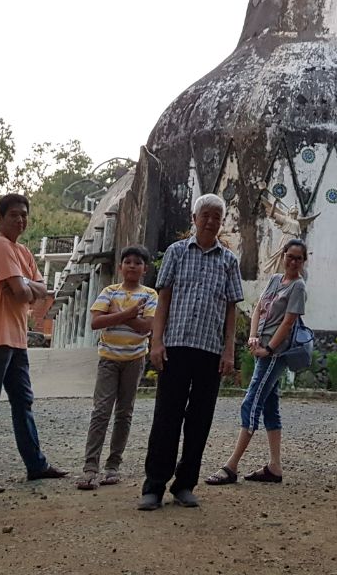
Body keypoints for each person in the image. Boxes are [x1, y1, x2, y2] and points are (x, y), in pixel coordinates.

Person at [138, 193, 244, 510]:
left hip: (210, 352)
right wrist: (156, 342)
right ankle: (154, 486)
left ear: (221, 222)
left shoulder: (228, 261)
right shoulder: (176, 252)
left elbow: (230, 309)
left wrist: (229, 352)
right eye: (206, 215)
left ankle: (185, 484)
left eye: (217, 216)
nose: (211, 221)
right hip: (175, 347)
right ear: (195, 218)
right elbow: (164, 299)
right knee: (166, 418)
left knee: (199, 421)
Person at [0, 193, 67, 493]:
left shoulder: (22, 250)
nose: (20, 220)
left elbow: (40, 290)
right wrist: (29, 287)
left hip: (15, 337)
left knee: (23, 402)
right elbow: (24, 293)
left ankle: (36, 464)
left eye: (24, 215)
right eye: (13, 215)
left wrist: (27, 286)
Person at [206, 238, 308, 486]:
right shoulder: (275, 280)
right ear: (283, 256)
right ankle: (274, 466)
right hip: (261, 346)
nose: (293, 261)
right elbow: (259, 307)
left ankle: (231, 466)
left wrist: (270, 348)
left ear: (304, 262)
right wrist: (253, 337)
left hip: (275, 353)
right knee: (270, 405)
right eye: (290, 256)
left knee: (251, 402)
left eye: (298, 258)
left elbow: (288, 322)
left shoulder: (298, 287)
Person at [77, 246, 157, 490]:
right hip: (108, 358)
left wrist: (120, 314)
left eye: (137, 262)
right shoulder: (109, 291)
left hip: (134, 359)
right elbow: (96, 322)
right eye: (128, 261)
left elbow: (147, 327)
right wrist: (132, 314)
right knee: (101, 411)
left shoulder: (150, 294)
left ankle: (113, 466)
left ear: (144, 269)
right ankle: (91, 466)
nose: (132, 266)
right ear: (121, 267)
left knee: (124, 413)